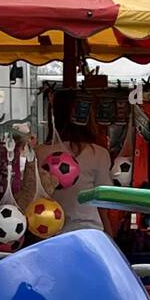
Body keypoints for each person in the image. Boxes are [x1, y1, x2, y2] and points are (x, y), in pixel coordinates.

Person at [40, 92, 115, 238]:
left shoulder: (40, 153)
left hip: (49, 234)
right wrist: (110, 237)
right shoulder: (99, 154)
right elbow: (103, 204)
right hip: (88, 233)